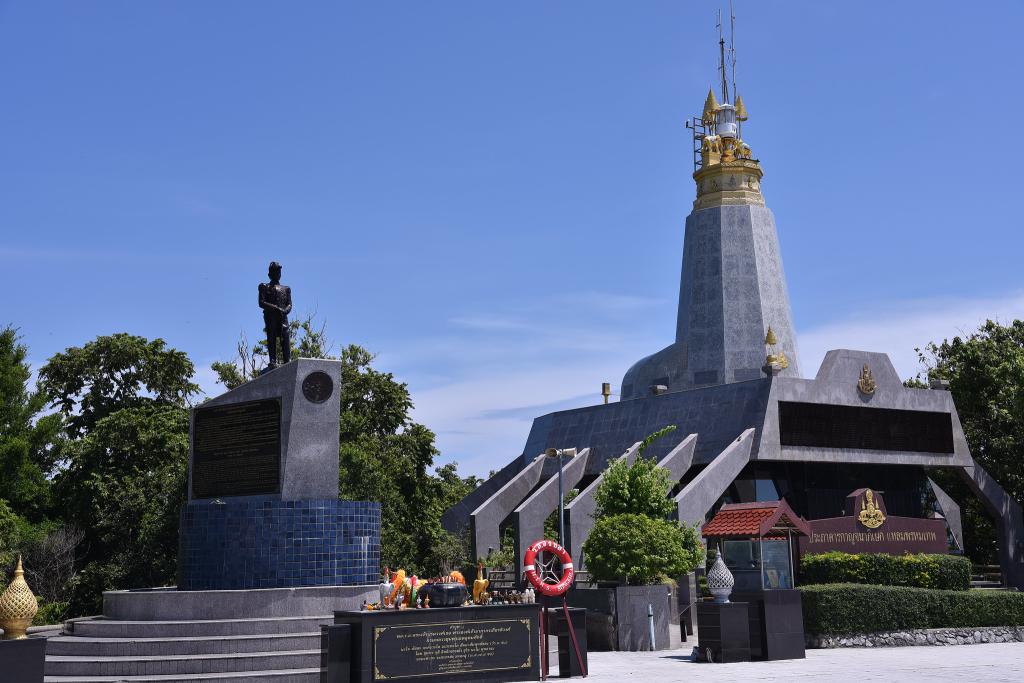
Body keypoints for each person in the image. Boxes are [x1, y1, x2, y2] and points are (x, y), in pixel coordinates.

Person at [258, 261, 292, 367]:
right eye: (275, 271)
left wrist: (285, 310)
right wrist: (275, 308)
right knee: (271, 337)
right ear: (269, 274)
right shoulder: (264, 286)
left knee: (285, 338)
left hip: (283, 318)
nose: (277, 273)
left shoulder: (286, 289)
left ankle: (287, 361)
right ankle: (273, 360)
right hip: (271, 317)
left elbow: (289, 304)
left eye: (278, 271)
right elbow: (261, 302)